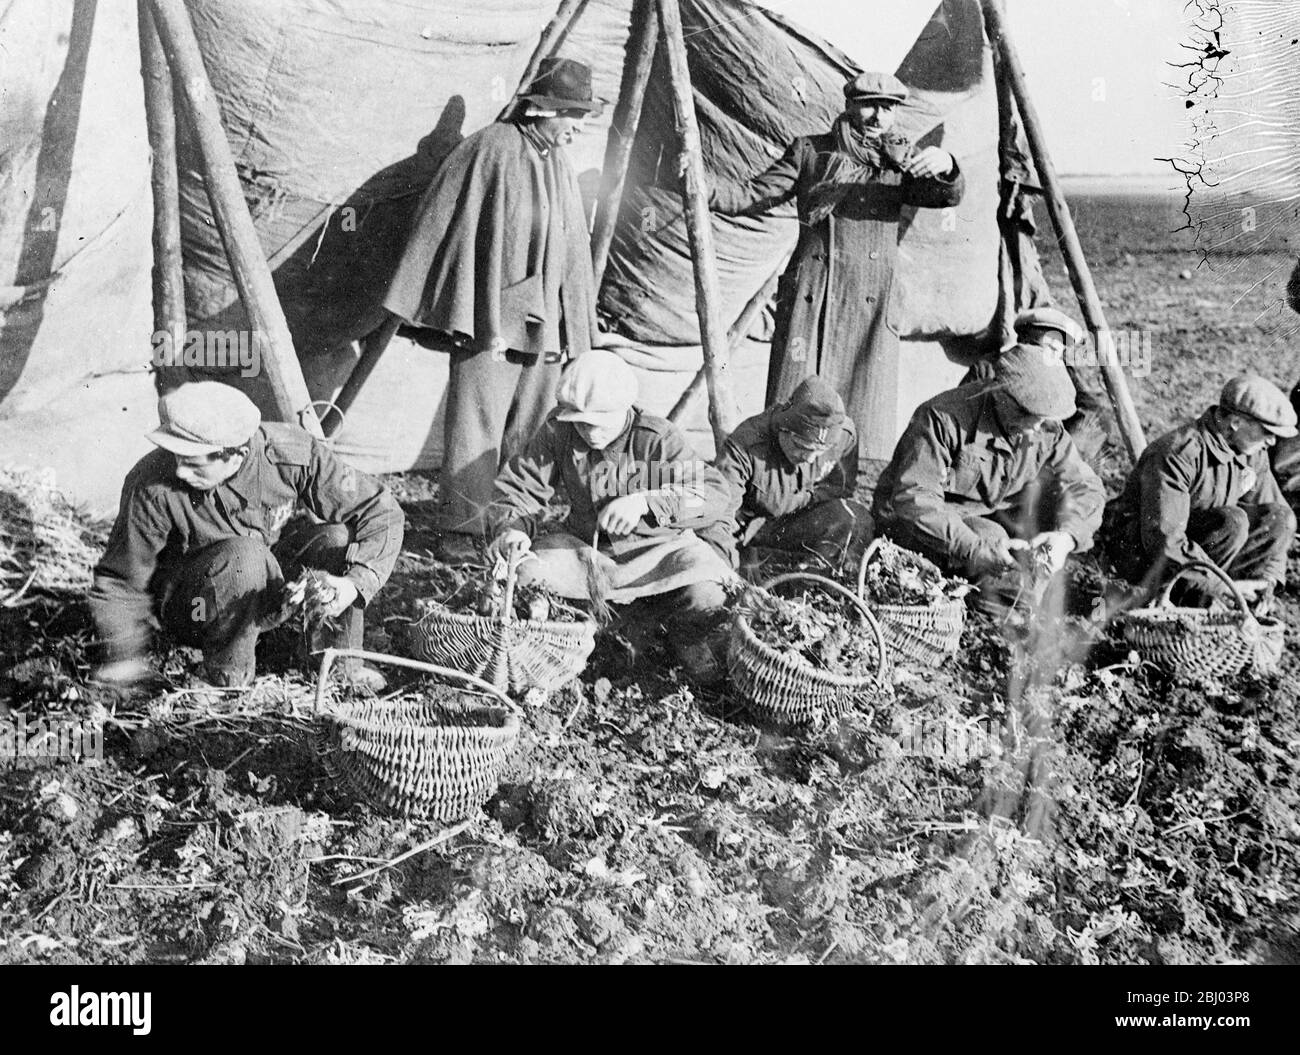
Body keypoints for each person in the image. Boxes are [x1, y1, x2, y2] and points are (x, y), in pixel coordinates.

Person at [383, 57, 602, 563]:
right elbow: (448, 223)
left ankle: (510, 527)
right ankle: (460, 531)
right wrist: (476, 308)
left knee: (533, 429)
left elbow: (568, 248)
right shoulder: (491, 149)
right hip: (494, 322)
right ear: (545, 109)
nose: (579, 128)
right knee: (476, 426)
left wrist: (572, 323)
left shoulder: (557, 160)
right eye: (574, 115)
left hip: (548, 325)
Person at [90, 382, 404, 690]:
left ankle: (336, 667)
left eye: (193, 463)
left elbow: (381, 508)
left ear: (236, 454)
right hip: (195, 608)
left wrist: (355, 584)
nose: (181, 472)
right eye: (177, 457)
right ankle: (223, 680)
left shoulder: (288, 453)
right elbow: (121, 578)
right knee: (245, 557)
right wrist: (123, 655)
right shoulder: (152, 484)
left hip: (264, 591)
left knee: (338, 538)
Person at [708, 71, 965, 436]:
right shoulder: (811, 151)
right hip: (813, 294)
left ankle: (849, 487)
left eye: (888, 108)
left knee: (862, 413)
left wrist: (948, 166)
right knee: (795, 403)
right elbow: (754, 194)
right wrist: (705, 189)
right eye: (869, 107)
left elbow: (945, 196)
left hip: (870, 302)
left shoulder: (901, 160)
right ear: (849, 106)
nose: (879, 117)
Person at [484, 351, 738, 678]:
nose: (588, 433)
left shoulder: (656, 438)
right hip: (587, 554)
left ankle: (671, 644)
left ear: (624, 409)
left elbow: (714, 491)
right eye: (579, 423)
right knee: (526, 575)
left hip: (659, 554)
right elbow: (522, 485)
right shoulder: (559, 430)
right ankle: (566, 648)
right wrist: (513, 528)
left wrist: (648, 502)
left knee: (709, 596)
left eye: (596, 423)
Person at [873, 345, 1105, 617]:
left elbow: (1086, 487)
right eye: (1032, 419)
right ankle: (982, 615)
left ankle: (1013, 604)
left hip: (987, 515)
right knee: (992, 540)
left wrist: (1065, 538)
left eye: (1045, 423)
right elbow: (914, 499)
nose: (1037, 431)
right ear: (1002, 396)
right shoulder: (943, 418)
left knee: (1046, 520)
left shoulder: (1045, 429)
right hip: (918, 525)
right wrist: (974, 548)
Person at [1104, 375, 1297, 611]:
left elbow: (1279, 516)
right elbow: (1163, 538)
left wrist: (1267, 581)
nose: (1272, 441)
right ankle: (1190, 610)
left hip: (1201, 553)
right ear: (1235, 422)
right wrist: (1221, 586)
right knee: (1233, 523)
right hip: (1141, 558)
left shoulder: (1252, 452)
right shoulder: (1179, 454)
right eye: (1267, 431)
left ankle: (1243, 606)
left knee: (1279, 518)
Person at [715, 377, 871, 574]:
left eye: (821, 451)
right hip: (753, 532)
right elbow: (719, 519)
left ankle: (816, 583)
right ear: (783, 428)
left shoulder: (845, 436)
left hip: (800, 521)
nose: (810, 458)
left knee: (855, 518)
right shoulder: (744, 447)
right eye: (801, 447)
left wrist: (805, 499)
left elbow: (840, 489)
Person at [967, 307, 1109, 463]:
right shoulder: (988, 368)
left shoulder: (1062, 371)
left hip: (1046, 456)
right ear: (1024, 341)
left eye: (1058, 351)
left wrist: (1069, 452)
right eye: (1048, 347)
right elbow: (965, 418)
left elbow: (1091, 411)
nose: (1052, 357)